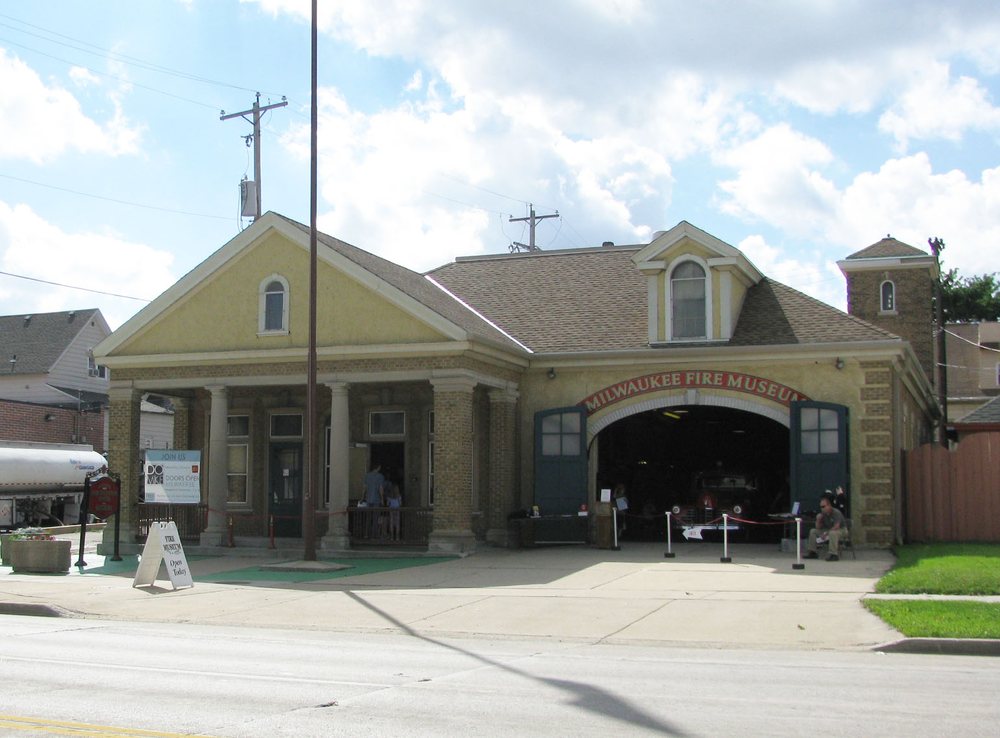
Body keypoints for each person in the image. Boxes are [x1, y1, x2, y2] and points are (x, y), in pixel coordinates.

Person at [805, 492, 848, 561]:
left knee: (832, 533)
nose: (822, 509)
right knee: (813, 531)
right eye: (821, 507)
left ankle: (833, 554)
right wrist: (818, 520)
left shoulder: (836, 512)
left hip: (841, 530)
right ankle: (813, 552)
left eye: (823, 507)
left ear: (829, 505)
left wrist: (826, 534)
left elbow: (836, 526)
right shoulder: (823, 514)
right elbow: (818, 528)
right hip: (828, 529)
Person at [363, 464, 385, 538]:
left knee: (368, 518)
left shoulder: (367, 476)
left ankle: (366, 534)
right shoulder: (380, 476)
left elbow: (365, 488)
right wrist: (382, 499)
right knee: (376, 518)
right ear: (378, 467)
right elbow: (381, 489)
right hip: (376, 500)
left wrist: (362, 498)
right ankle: (373, 535)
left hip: (368, 499)